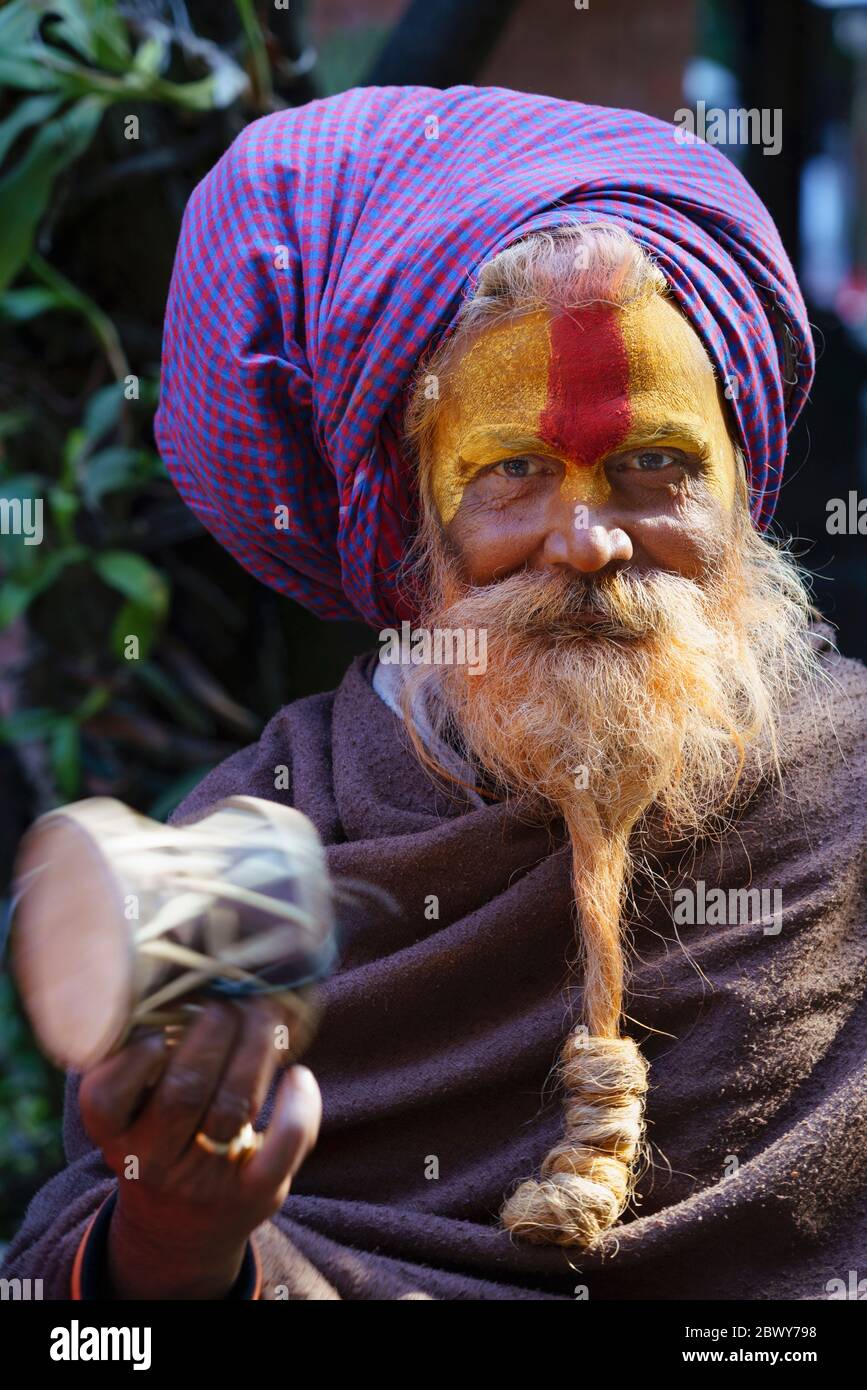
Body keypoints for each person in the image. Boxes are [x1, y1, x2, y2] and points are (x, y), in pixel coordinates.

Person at [3, 85, 865, 1301]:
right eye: (511, 470)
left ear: (743, 484)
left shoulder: (856, 786)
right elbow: (72, 1295)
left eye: (655, 465)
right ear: (408, 515)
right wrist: (182, 1238)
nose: (588, 540)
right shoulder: (278, 820)